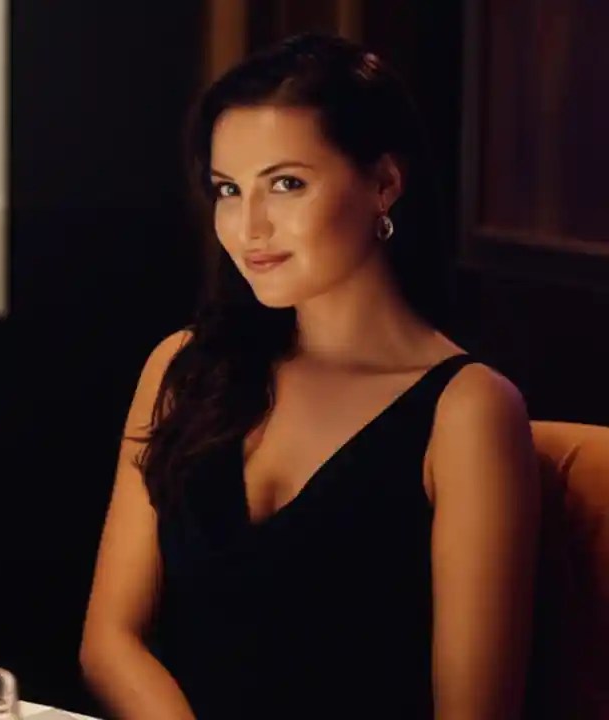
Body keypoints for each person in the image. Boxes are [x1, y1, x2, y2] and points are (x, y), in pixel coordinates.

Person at [80, 34, 539, 719]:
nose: (250, 226)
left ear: (384, 182)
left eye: (286, 183)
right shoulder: (184, 366)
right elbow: (110, 641)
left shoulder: (467, 409)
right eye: (229, 190)